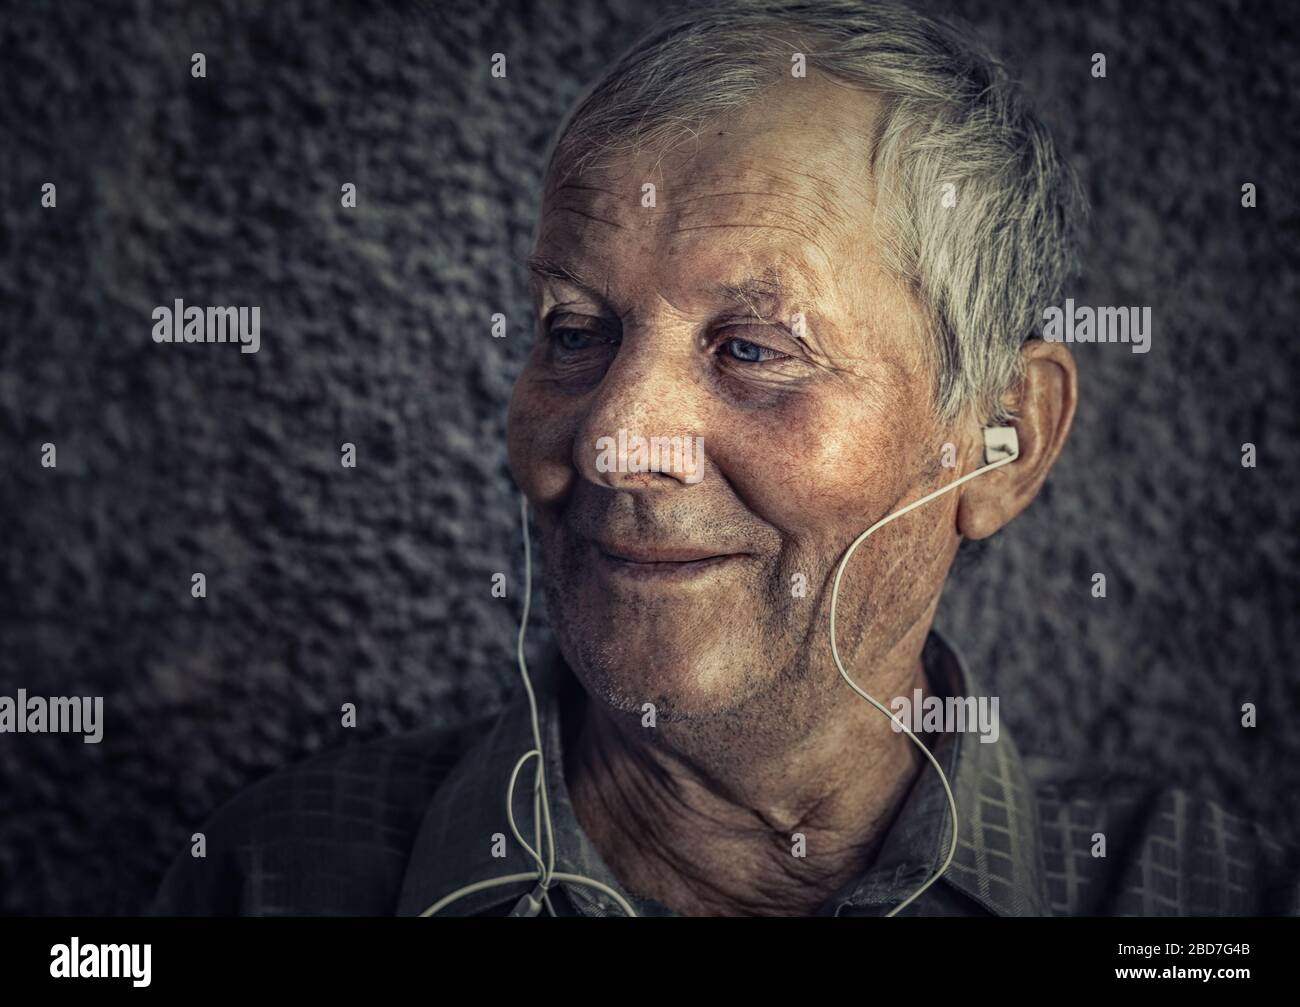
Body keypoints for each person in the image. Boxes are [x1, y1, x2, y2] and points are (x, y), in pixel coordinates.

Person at [151, 0, 1299, 917]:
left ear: (1004, 441)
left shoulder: (1207, 903)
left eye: (753, 348)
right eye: (573, 332)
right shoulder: (269, 877)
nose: (611, 439)